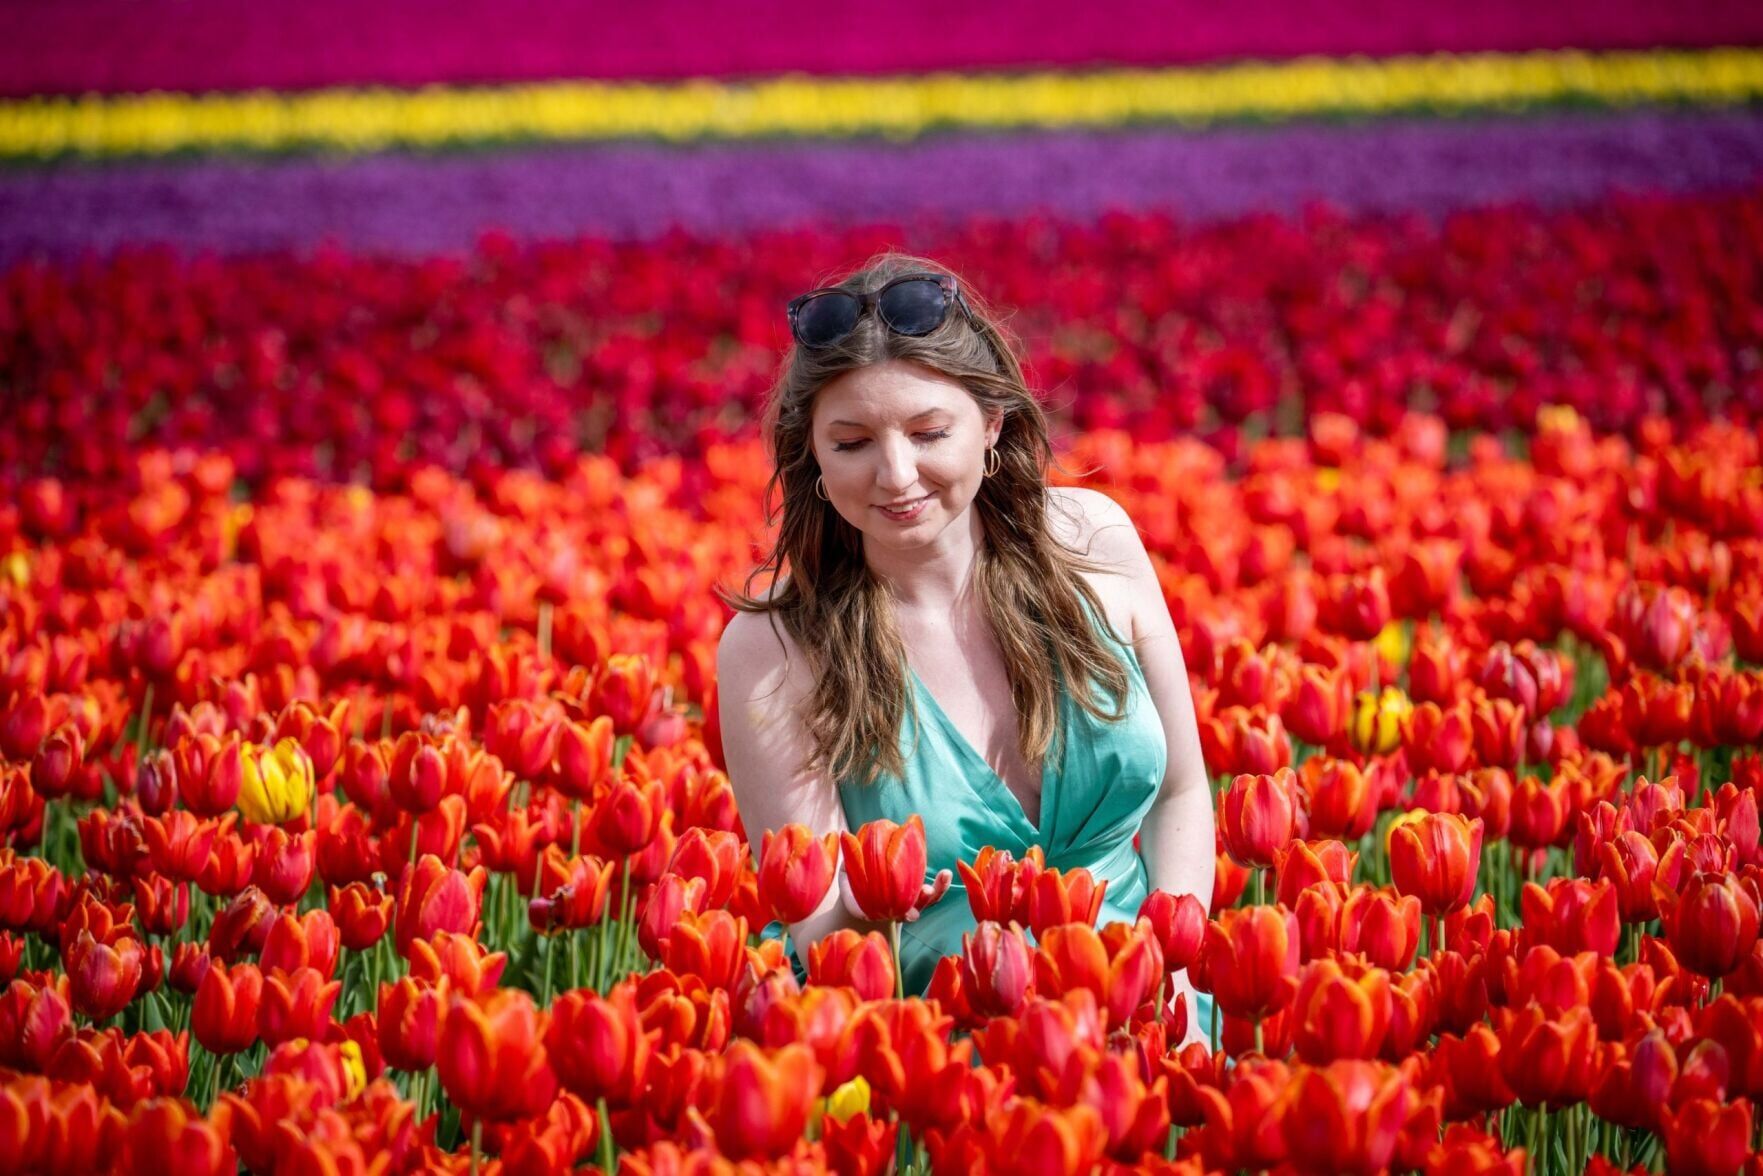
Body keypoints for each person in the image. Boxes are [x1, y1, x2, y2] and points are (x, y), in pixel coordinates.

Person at [714, 252, 1215, 1044]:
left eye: (928, 432)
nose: (895, 474)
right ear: (811, 456)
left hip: (1148, 1025)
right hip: (936, 1060)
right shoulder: (775, 649)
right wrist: (872, 907)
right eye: (851, 443)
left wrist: (1177, 983)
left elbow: (1179, 792)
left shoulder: (1094, 542)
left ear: (991, 424)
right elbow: (819, 931)